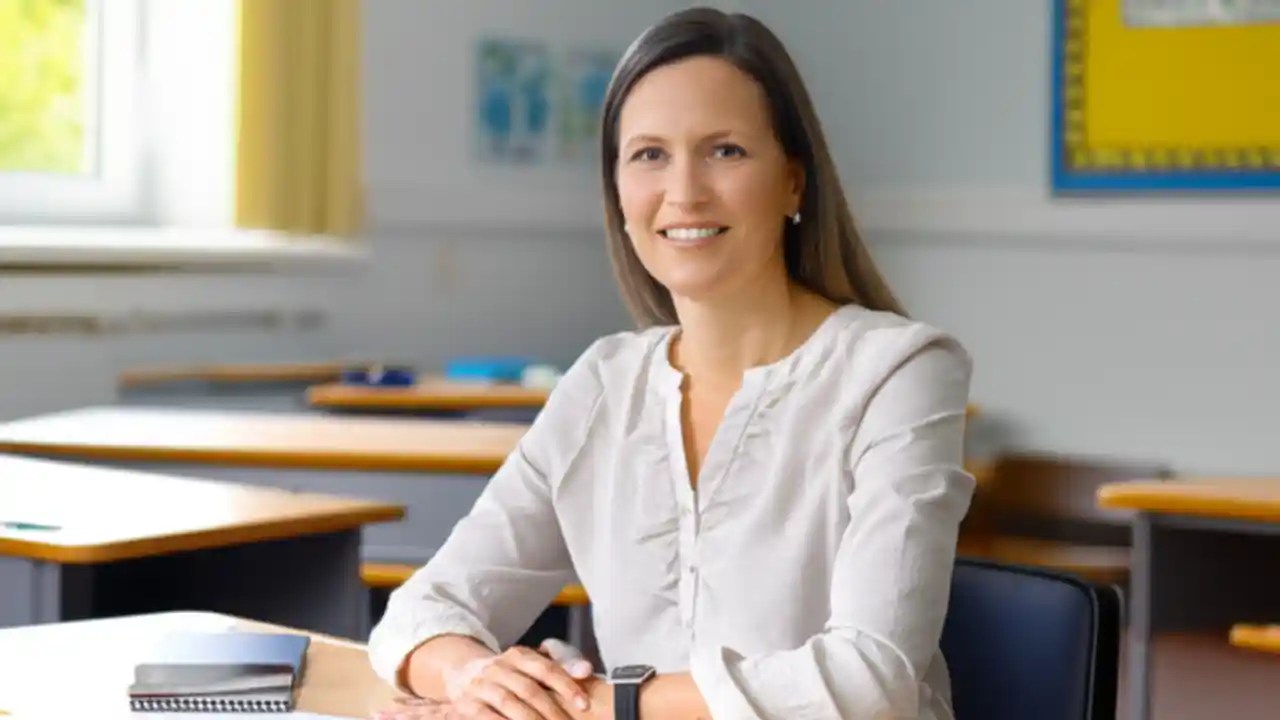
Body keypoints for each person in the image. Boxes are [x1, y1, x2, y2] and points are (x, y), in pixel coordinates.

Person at [370, 7, 974, 720]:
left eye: (725, 151)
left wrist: (598, 705)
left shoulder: (898, 371)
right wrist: (478, 681)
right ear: (619, 193)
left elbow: (870, 681)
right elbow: (423, 610)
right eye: (649, 154)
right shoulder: (604, 384)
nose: (683, 191)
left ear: (794, 182)